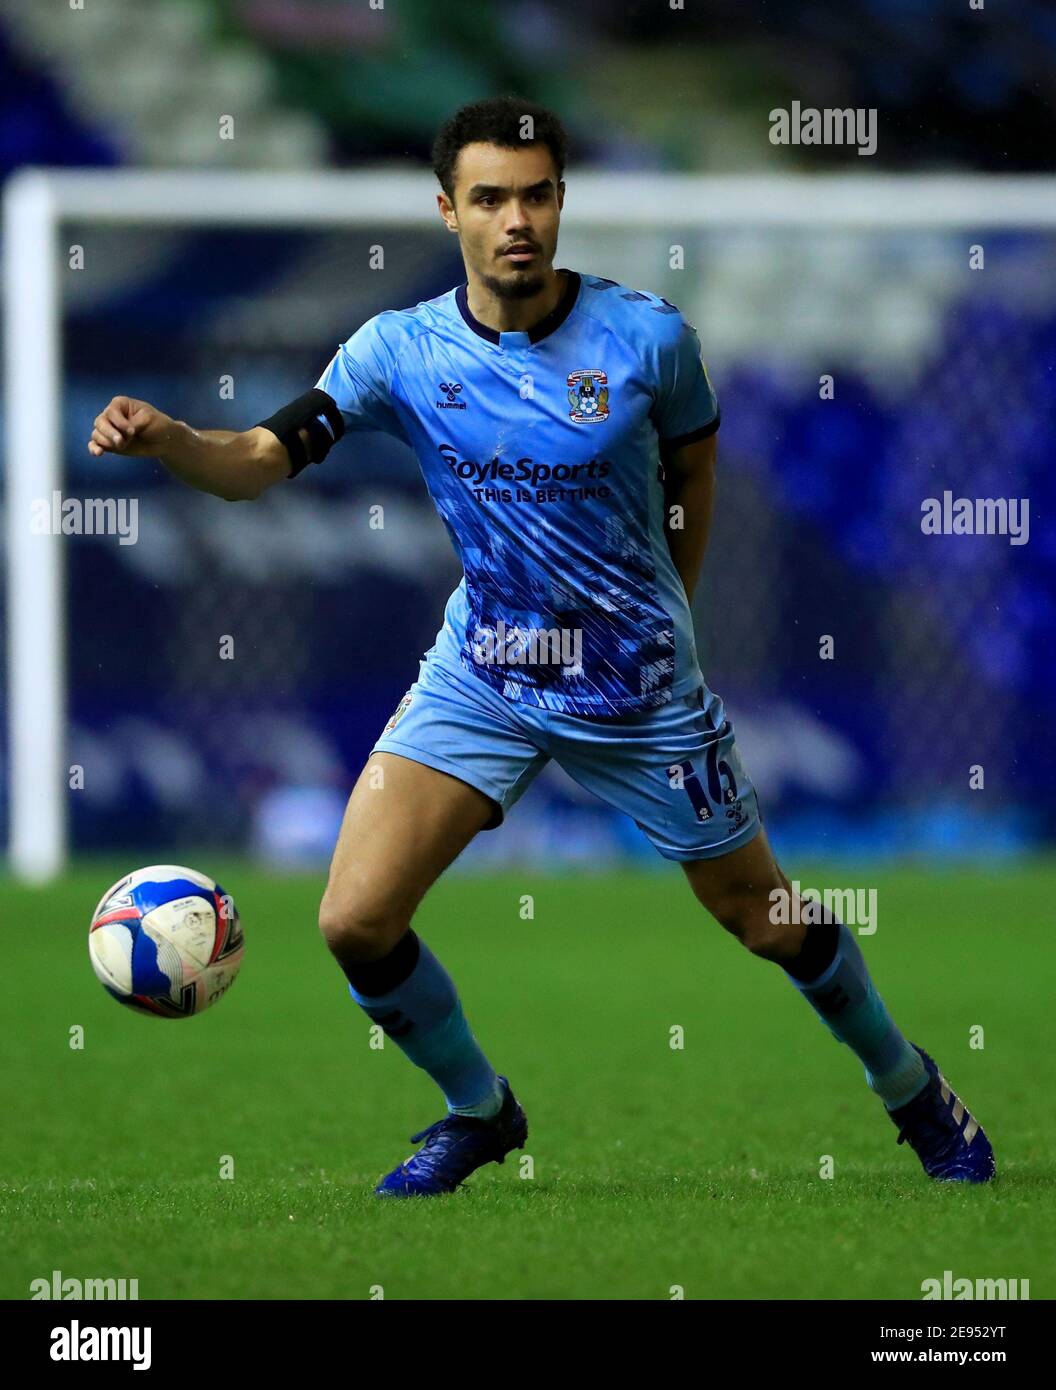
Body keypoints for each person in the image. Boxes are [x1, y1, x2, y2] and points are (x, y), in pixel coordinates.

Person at [89, 96, 995, 1197]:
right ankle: (479, 1111)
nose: (515, 219)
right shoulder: (397, 351)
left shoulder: (651, 341)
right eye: (489, 198)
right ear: (447, 209)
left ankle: (911, 1089)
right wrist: (173, 439)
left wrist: (676, 603)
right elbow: (257, 460)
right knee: (355, 919)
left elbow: (693, 473)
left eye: (536, 194)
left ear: (561, 200)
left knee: (767, 918)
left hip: (640, 688)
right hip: (485, 673)